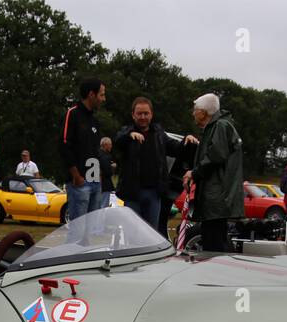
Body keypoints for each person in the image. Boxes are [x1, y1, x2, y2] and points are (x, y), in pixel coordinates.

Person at [113, 96, 197, 234]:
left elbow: (175, 148)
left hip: (154, 193)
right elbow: (117, 142)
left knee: (152, 233)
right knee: (132, 233)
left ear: (151, 114)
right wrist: (129, 135)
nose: (143, 117)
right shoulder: (126, 133)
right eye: (139, 113)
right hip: (133, 193)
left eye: (146, 113)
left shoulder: (159, 134)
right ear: (133, 115)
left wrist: (187, 141)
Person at [183, 92, 243, 253]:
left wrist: (194, 173)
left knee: (213, 244)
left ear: (203, 112)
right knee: (213, 239)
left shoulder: (220, 126)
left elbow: (216, 156)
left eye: (195, 109)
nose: (193, 113)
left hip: (216, 196)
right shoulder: (217, 126)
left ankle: (214, 275)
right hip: (216, 197)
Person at [58, 77, 106, 220]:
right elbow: (64, 144)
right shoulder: (72, 114)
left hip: (95, 180)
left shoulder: (94, 120)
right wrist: (76, 175)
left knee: (91, 229)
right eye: (102, 94)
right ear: (91, 94)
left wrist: (99, 175)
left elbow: (96, 150)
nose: (104, 99)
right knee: (78, 228)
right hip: (80, 182)